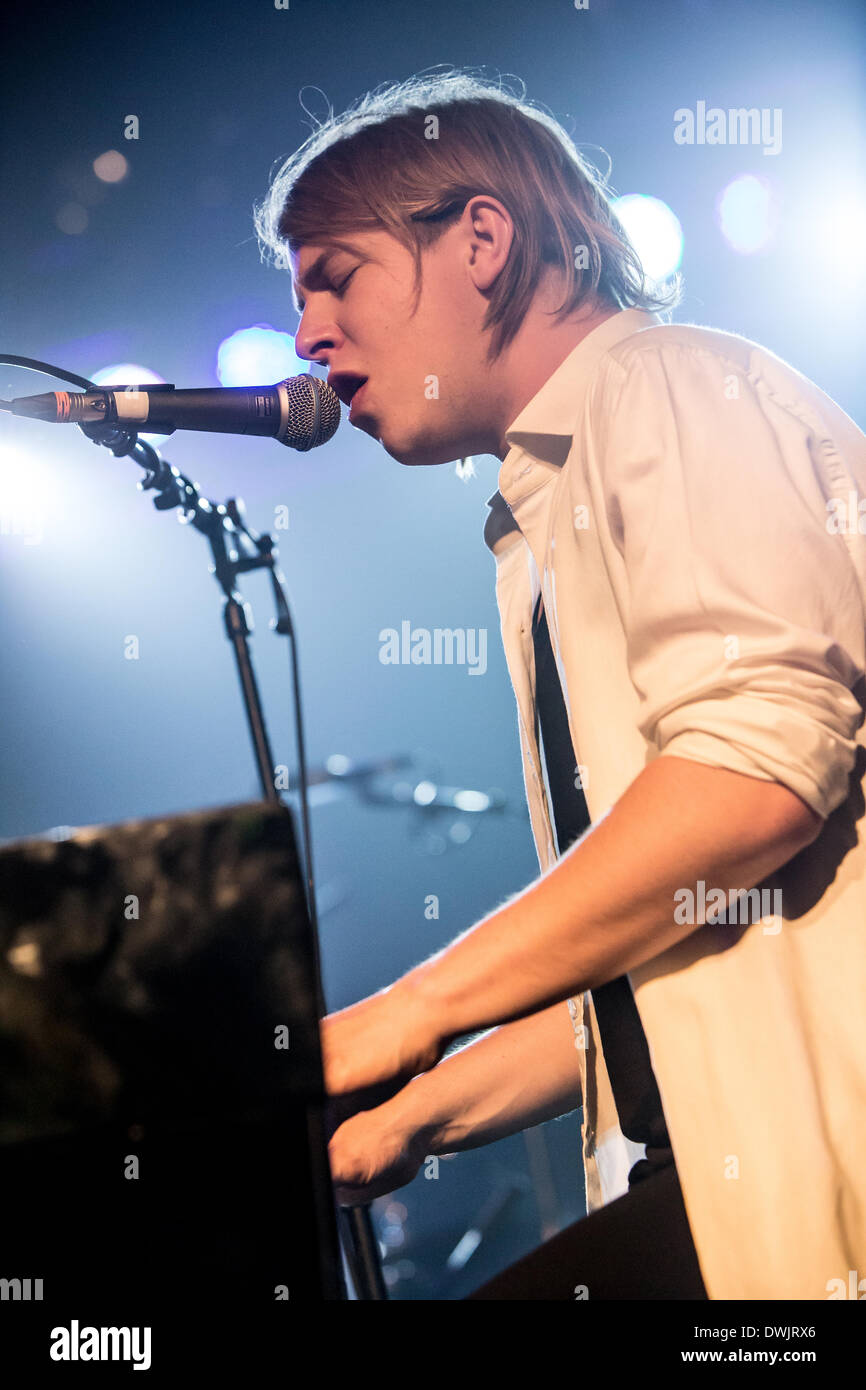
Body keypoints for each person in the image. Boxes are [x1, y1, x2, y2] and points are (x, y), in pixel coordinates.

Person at [255, 70, 866, 1299]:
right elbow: (664, 954)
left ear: (480, 238)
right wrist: (416, 1115)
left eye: (336, 275)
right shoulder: (535, 527)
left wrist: (403, 1012)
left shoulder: (671, 386)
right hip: (698, 1184)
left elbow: (749, 780)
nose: (308, 336)